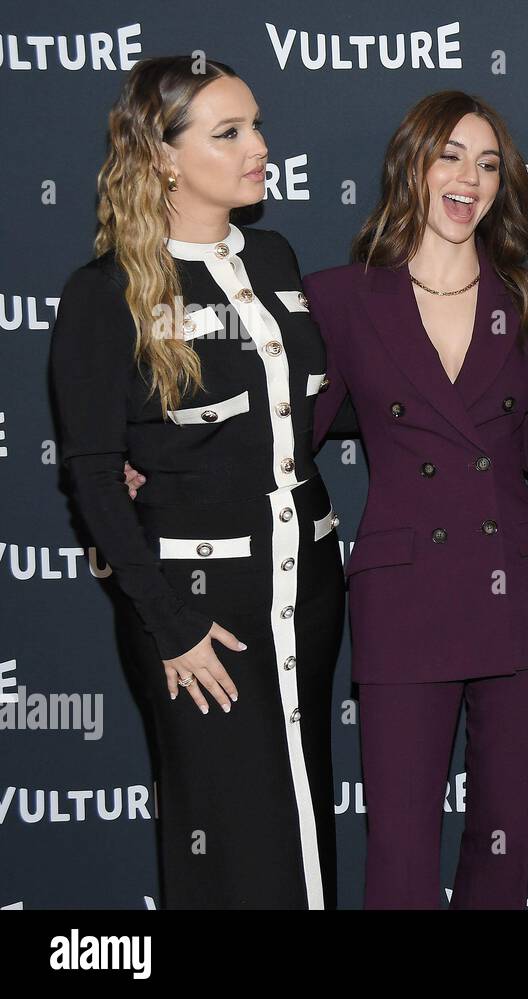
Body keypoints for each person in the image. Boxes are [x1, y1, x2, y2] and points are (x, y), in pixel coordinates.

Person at [50, 56, 344, 908]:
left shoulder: (278, 257)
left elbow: (300, 419)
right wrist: (172, 624)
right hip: (197, 612)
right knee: (226, 837)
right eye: (230, 133)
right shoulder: (103, 294)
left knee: (301, 815)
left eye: (256, 126)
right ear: (164, 157)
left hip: (308, 591)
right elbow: (94, 479)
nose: (260, 147)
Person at [303, 91, 528, 909]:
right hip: (404, 600)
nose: (468, 177)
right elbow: (290, 438)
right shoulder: (340, 299)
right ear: (413, 165)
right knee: (399, 856)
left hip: (521, 596)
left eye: (487, 162)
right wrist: (176, 471)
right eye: (450, 156)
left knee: (499, 852)